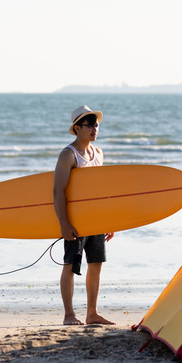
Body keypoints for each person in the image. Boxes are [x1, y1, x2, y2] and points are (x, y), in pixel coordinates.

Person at [53, 105, 115, 326]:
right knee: (70, 264)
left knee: (96, 263)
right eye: (89, 125)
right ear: (77, 128)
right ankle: (69, 315)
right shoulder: (68, 155)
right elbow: (58, 191)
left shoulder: (98, 153)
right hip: (76, 221)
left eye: (96, 124)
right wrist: (64, 223)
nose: (94, 129)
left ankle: (92, 314)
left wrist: (107, 220)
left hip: (96, 219)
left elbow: (100, 191)